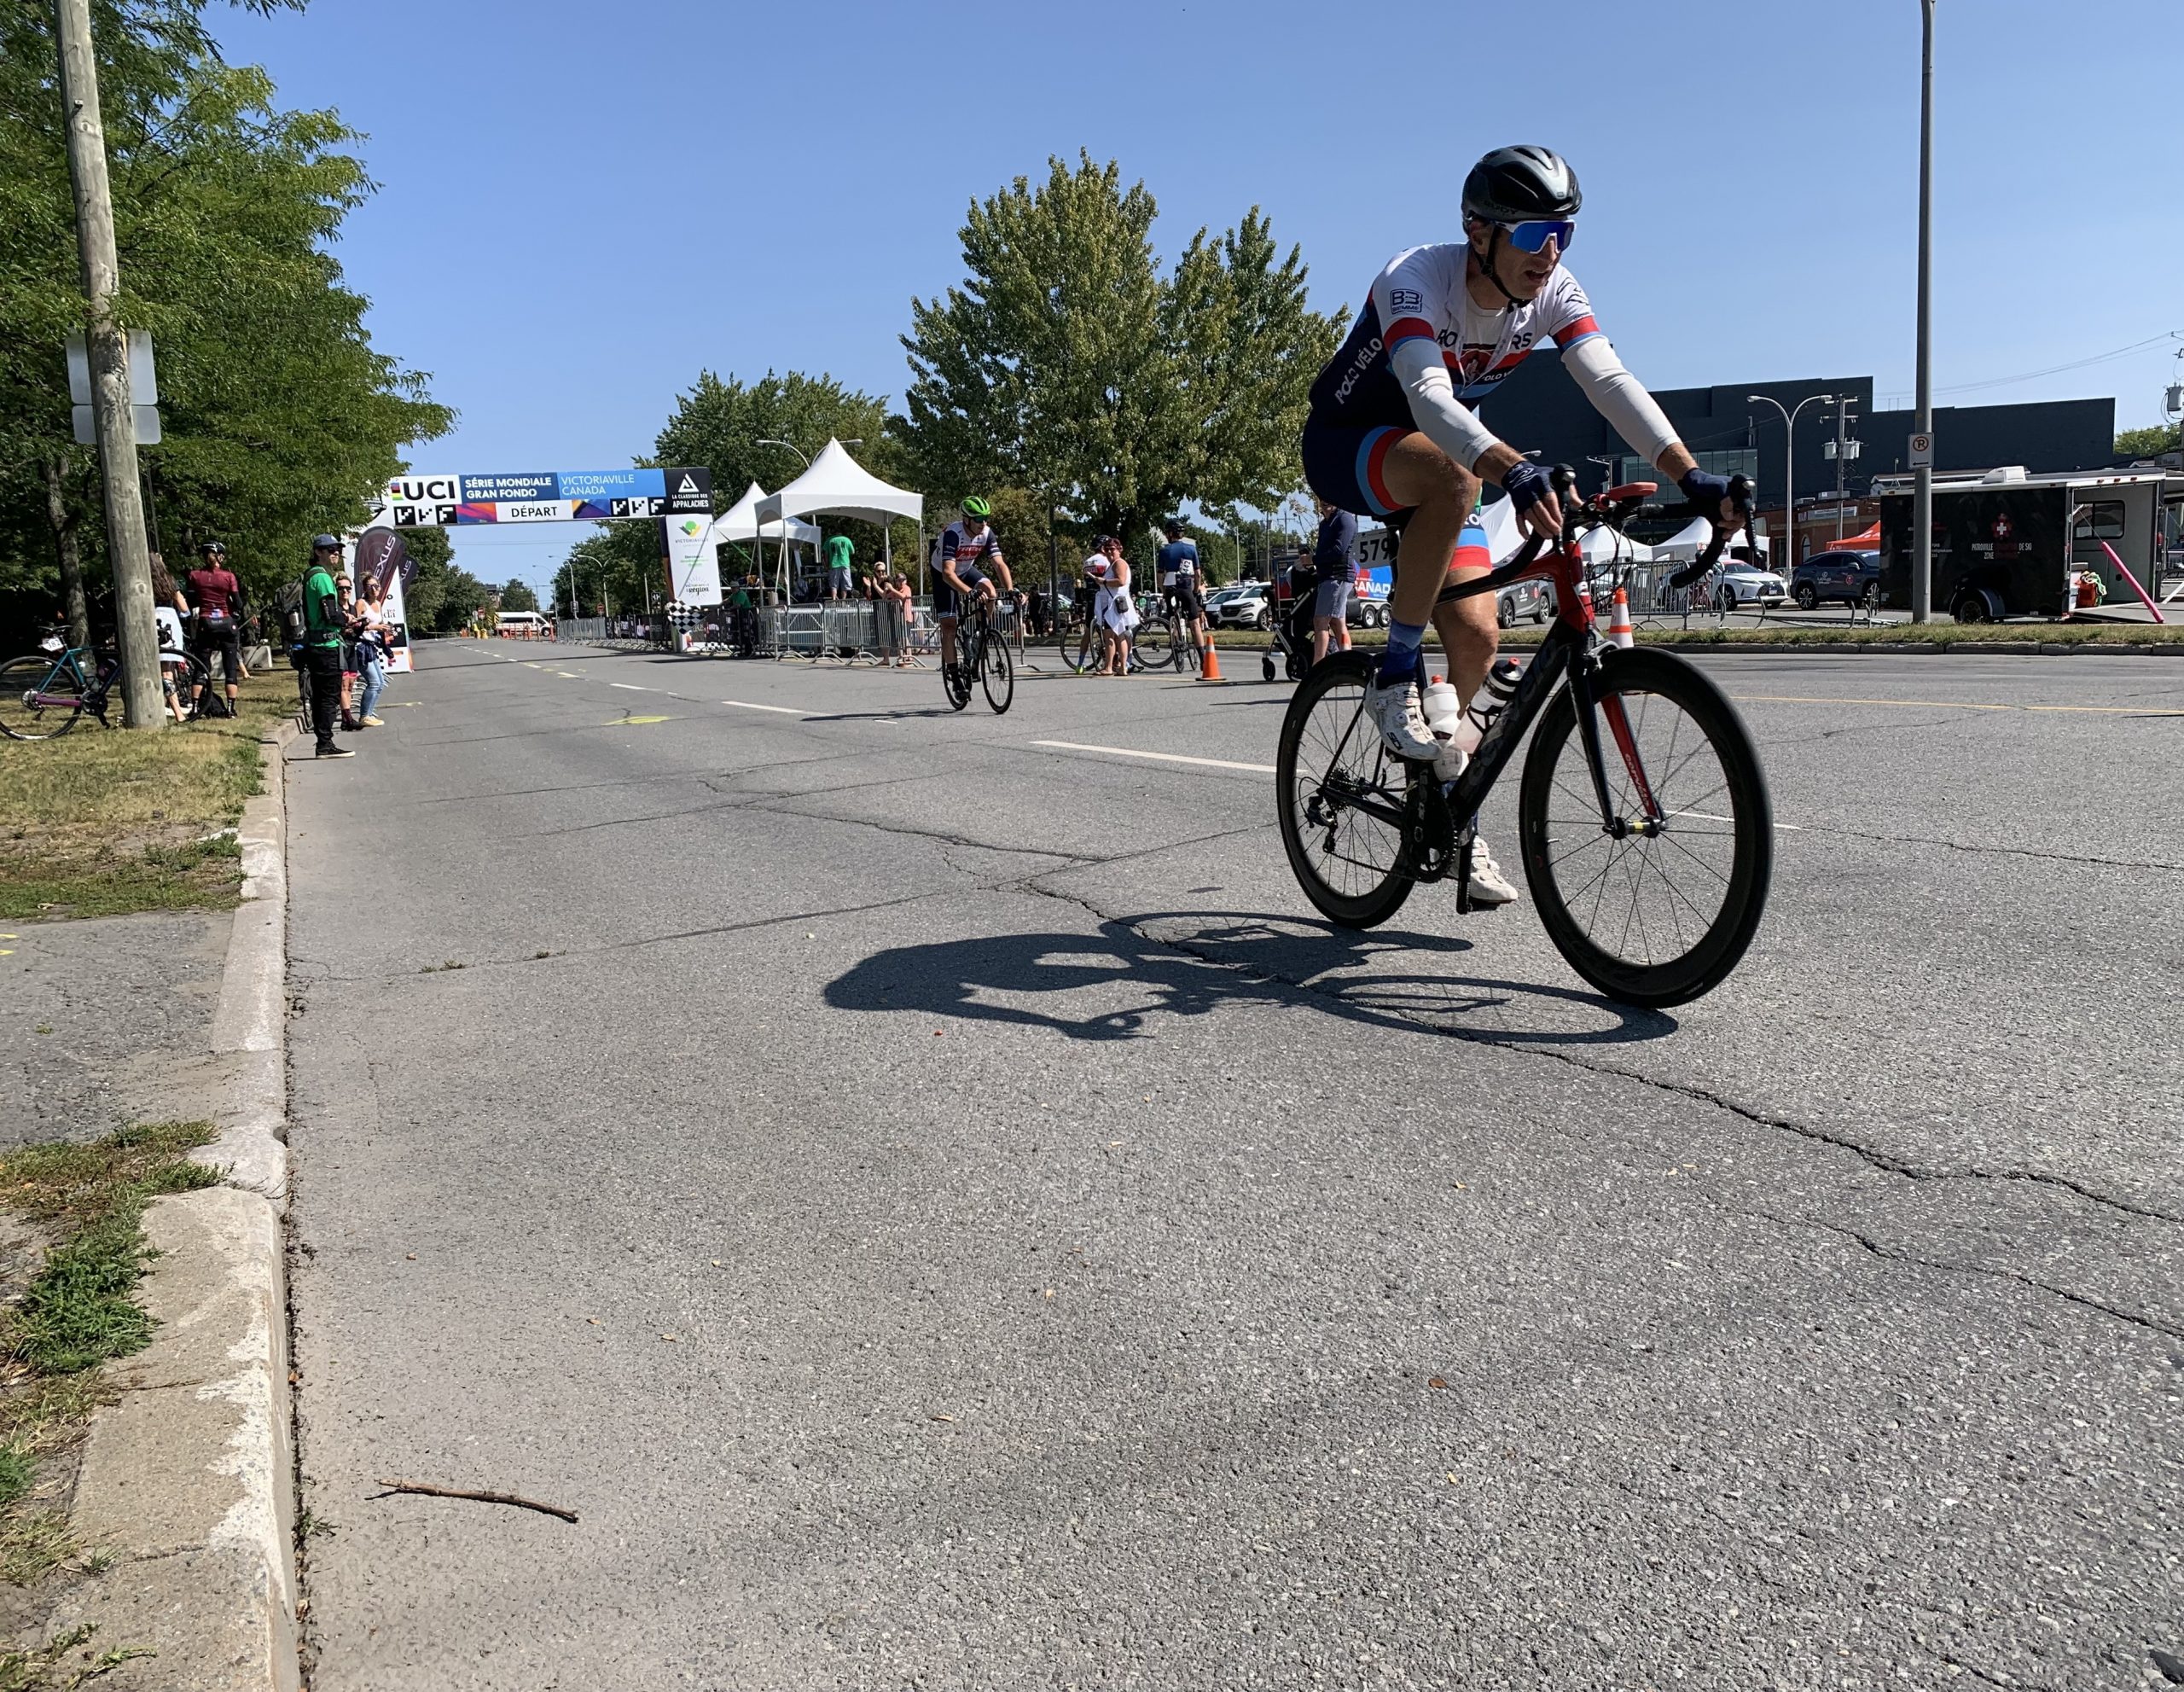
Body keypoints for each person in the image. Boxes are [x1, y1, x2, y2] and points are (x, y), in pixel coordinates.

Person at [1299, 143, 1745, 905]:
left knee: (1478, 638)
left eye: (1565, 235)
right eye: (1536, 234)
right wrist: (1510, 465)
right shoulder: (1416, 279)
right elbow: (1429, 397)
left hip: (1447, 466)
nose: (1551, 254)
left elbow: (1608, 377)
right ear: (1482, 233)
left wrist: (1689, 473)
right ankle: (1395, 674)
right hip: (1351, 444)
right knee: (1455, 473)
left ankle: (1442, 813)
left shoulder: (1553, 292)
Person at [932, 496, 1014, 678]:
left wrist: (1010, 589)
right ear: (967, 519)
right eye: (978, 518)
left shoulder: (986, 533)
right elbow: (948, 573)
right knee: (949, 626)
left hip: (966, 569)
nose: (983, 522)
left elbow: (999, 564)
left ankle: (979, 634)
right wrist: (969, 592)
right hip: (943, 575)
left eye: (986, 518)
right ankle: (954, 675)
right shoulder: (954, 534)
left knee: (991, 593)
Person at [299, 536, 355, 759]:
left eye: (338, 549)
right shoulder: (322, 578)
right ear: (318, 552)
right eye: (330, 549)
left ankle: (324, 741)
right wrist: (346, 620)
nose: (336, 553)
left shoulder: (310, 575)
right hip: (325, 645)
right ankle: (325, 744)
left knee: (322, 695)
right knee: (329, 696)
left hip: (316, 644)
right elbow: (329, 614)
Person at [186, 540, 247, 713]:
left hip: (206, 623)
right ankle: (230, 708)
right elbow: (238, 603)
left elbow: (191, 601)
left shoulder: (195, 575)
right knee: (230, 668)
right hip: (227, 623)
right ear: (220, 556)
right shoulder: (228, 577)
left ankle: (196, 706)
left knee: (201, 665)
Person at [1310, 497, 1357, 666]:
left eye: (1330, 497)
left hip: (1338, 577)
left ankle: (1318, 668)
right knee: (1337, 622)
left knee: (1321, 621)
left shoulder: (1345, 519)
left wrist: (1313, 559)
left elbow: (1339, 550)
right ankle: (1348, 664)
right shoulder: (1325, 524)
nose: (1325, 501)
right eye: (1321, 498)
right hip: (1327, 577)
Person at [147, 552, 193, 724]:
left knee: (156, 669)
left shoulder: (143, 581)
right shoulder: (169, 581)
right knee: (168, 670)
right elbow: (184, 607)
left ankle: (164, 706)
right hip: (169, 621)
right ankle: (178, 712)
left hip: (150, 619)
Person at [1157, 520, 1208, 660]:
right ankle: (1203, 658)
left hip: (1170, 588)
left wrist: (1162, 590)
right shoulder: (1191, 549)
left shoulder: (1164, 550)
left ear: (1171, 533)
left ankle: (1176, 640)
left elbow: (1160, 575)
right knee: (1195, 622)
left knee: (1171, 617)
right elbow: (1197, 574)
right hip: (1185, 587)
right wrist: (1196, 590)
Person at [1093, 536, 1138, 675]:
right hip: (1116, 604)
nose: (1109, 552)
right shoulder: (1115, 563)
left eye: (1112, 549)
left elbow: (1121, 581)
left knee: (1111, 637)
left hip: (1114, 605)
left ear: (1120, 549)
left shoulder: (1119, 563)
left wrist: (1104, 581)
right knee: (1119, 636)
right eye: (1107, 550)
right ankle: (1122, 666)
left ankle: (1109, 667)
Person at [351, 583, 392, 725]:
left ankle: (369, 713)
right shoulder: (361, 603)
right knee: (373, 682)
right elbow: (354, 626)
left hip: (371, 646)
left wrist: (384, 631)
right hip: (360, 646)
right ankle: (364, 716)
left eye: (376, 586)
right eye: (370, 586)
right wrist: (375, 626)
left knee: (380, 683)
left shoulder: (379, 604)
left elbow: (379, 626)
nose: (374, 589)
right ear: (365, 589)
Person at [824, 532, 855, 601]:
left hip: (834, 564)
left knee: (833, 584)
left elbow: (826, 554)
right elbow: (852, 552)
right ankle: (843, 601)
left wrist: (826, 565)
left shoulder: (829, 540)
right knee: (845, 584)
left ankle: (834, 600)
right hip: (845, 563)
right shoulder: (847, 540)